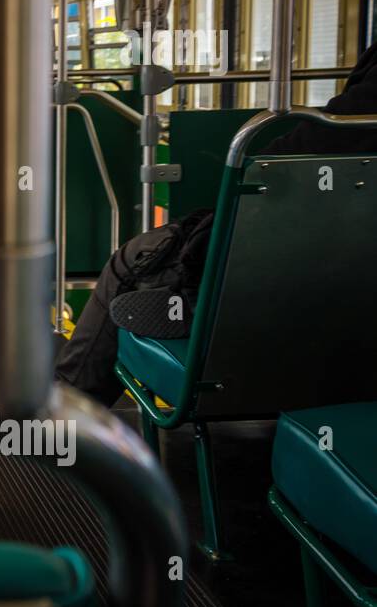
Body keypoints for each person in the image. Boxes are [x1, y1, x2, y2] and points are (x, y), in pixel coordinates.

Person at [56, 40, 377, 407]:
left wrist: (257, 164)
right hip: (348, 260)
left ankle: (64, 412)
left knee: (135, 258)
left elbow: (323, 143)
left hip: (320, 263)